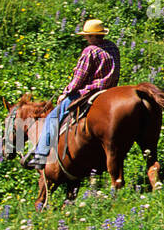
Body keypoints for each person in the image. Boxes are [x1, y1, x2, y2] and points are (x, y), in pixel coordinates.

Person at [23, 19, 120, 169]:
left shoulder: (90, 51)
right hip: (109, 90)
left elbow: (79, 78)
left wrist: (66, 92)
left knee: (52, 117)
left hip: (89, 91)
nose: (86, 38)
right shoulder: (112, 47)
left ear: (94, 36)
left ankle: (41, 155)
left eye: (88, 36)